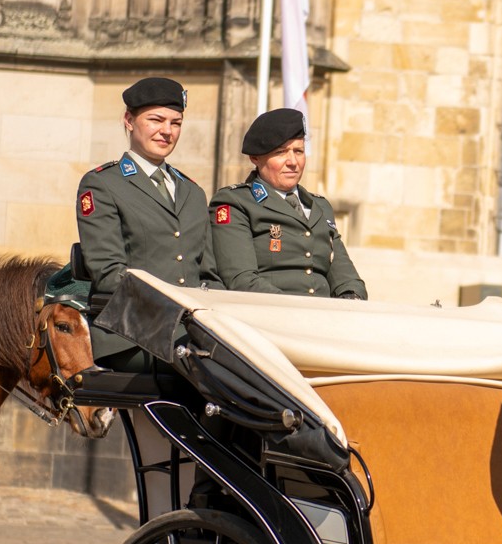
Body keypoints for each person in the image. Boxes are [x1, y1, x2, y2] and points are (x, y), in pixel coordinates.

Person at [77, 76, 220, 367]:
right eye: (156, 120)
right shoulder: (103, 184)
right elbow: (108, 274)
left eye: (176, 123)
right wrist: (177, 308)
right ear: (129, 120)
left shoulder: (192, 192)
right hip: (131, 336)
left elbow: (210, 275)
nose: (167, 131)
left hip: (191, 333)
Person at [210, 108, 365, 299]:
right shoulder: (236, 202)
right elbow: (242, 280)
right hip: (269, 318)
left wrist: (350, 301)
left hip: (322, 319)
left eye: (298, 151)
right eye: (281, 152)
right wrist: (299, 311)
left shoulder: (320, 207)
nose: (293, 162)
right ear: (255, 158)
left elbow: (346, 278)